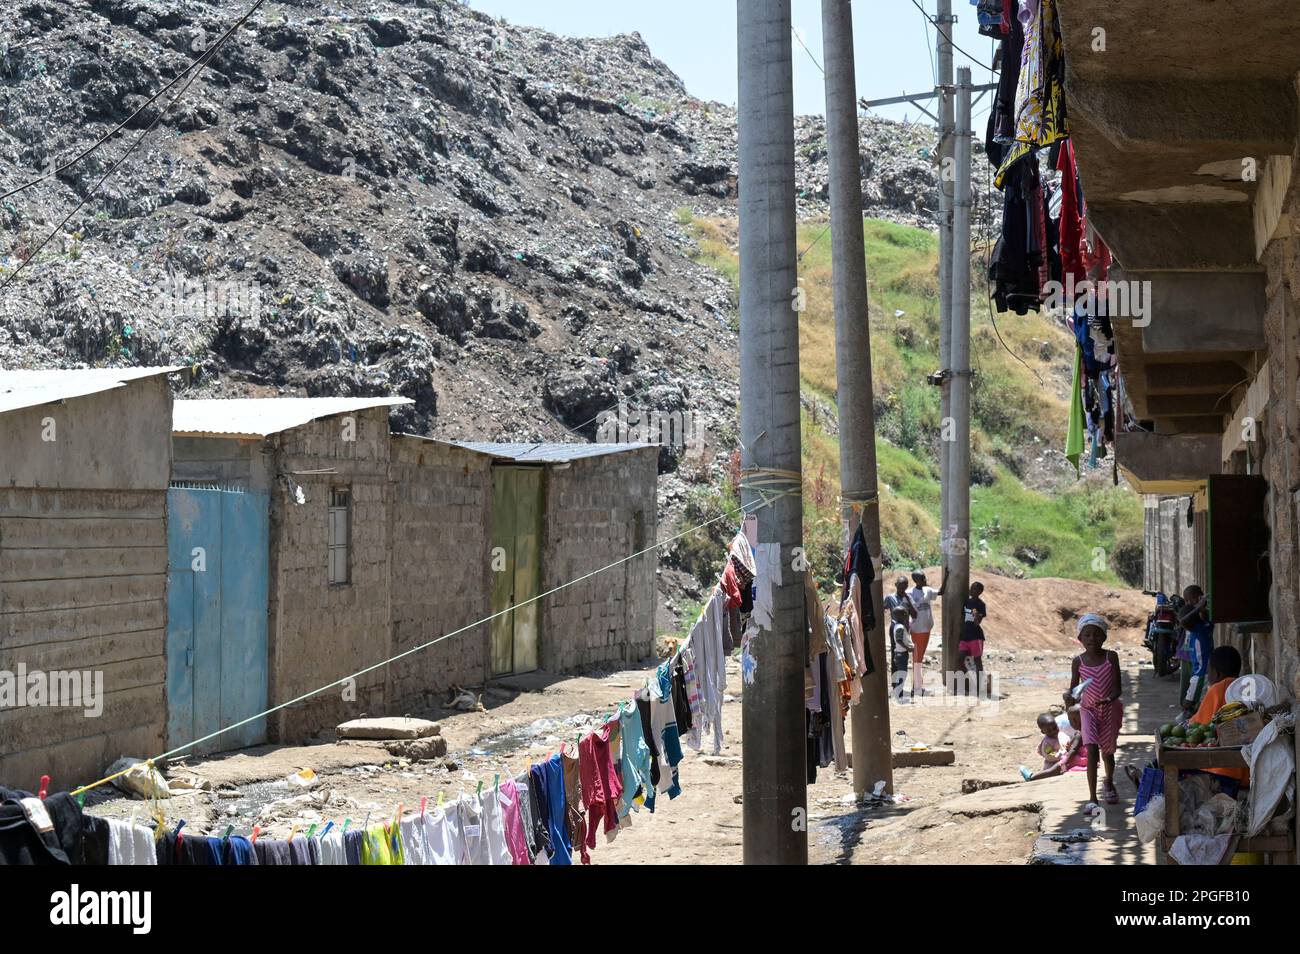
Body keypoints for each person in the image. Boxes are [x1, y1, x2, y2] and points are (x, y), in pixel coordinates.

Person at [1064, 614, 1123, 812]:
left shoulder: (1111, 657)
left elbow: (1118, 689)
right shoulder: (1078, 662)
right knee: (1091, 750)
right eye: (1087, 635)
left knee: (1108, 752)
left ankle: (1109, 781)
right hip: (1088, 711)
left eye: (1096, 635)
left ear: (1104, 637)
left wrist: (1108, 699)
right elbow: (1073, 690)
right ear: (1080, 639)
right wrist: (1068, 699)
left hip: (1109, 710)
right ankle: (1092, 798)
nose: (1092, 639)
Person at [1188, 645, 1249, 787]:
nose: (1208, 675)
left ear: (1216, 673)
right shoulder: (1245, 688)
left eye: (1208, 671)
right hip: (1246, 774)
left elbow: (1198, 727)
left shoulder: (1217, 689)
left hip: (1220, 772)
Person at [906, 569, 946, 697]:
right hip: (917, 629)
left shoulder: (928, 590)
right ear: (916, 580)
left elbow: (941, 592)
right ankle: (916, 688)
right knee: (917, 659)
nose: (925, 580)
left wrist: (947, 577)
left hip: (926, 629)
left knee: (919, 658)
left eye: (924, 578)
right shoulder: (909, 593)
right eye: (922, 578)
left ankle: (917, 686)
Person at [1020, 709, 1086, 781]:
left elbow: (1067, 743)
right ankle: (1032, 777)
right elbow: (1049, 753)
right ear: (1043, 731)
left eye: (1054, 728)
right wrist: (1058, 755)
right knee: (1051, 772)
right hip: (1053, 763)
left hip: (1064, 760)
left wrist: (1069, 745)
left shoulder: (1061, 734)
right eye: (1049, 730)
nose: (1053, 731)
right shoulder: (1046, 742)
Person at [1178, 585, 1213, 715]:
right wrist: (1199, 607)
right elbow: (1184, 620)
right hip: (1200, 674)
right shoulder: (1200, 628)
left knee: (1193, 706)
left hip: (1203, 674)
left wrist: (1199, 607)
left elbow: (1185, 620)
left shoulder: (1201, 629)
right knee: (1192, 705)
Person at [883, 577, 918, 693]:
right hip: (895, 627)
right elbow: (881, 608)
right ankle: (895, 684)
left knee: (903, 654)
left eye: (904, 586)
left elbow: (915, 615)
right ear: (896, 584)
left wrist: (908, 599)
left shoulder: (909, 598)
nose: (902, 588)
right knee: (895, 654)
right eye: (900, 586)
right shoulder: (890, 598)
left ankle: (899, 684)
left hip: (906, 628)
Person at [956, 581, 987, 684]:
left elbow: (977, 623)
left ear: (979, 591)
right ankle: (965, 683)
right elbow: (962, 618)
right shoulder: (967, 602)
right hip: (965, 635)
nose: (971, 590)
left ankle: (980, 685)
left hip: (975, 636)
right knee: (960, 659)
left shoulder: (981, 604)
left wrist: (976, 615)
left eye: (974, 589)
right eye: (971, 588)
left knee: (977, 661)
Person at [888, 606, 914, 703]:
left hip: (900, 654)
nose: (906, 615)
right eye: (904, 614)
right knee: (902, 675)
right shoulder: (899, 627)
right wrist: (908, 648)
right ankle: (899, 697)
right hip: (901, 655)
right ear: (900, 616)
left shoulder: (898, 626)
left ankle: (899, 695)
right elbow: (899, 640)